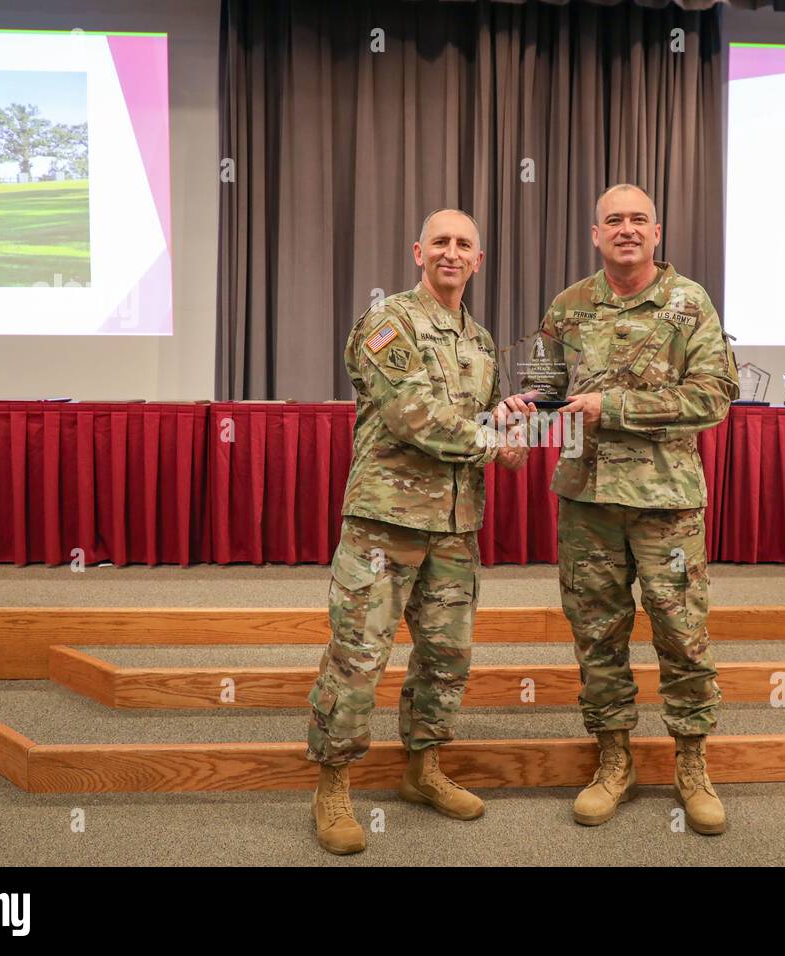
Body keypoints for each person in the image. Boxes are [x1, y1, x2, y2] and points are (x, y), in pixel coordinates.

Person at [502, 184, 739, 834]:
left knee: (682, 637)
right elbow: (546, 389)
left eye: (638, 220)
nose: (627, 229)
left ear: (656, 233)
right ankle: (613, 762)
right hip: (588, 504)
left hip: (667, 505)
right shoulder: (569, 307)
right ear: (596, 233)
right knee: (598, 639)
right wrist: (522, 425)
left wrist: (617, 407)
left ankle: (692, 765)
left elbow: (715, 396)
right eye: (615, 220)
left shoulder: (689, 303)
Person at [308, 209, 527, 855]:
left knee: (445, 658)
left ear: (478, 260)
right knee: (358, 657)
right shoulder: (389, 321)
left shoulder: (482, 341)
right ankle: (332, 784)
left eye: (464, 244)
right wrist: (493, 442)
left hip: (456, 528)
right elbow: (411, 415)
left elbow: (464, 416)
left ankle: (422, 769)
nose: (451, 252)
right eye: (440, 242)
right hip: (386, 522)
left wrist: (502, 415)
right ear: (418, 252)